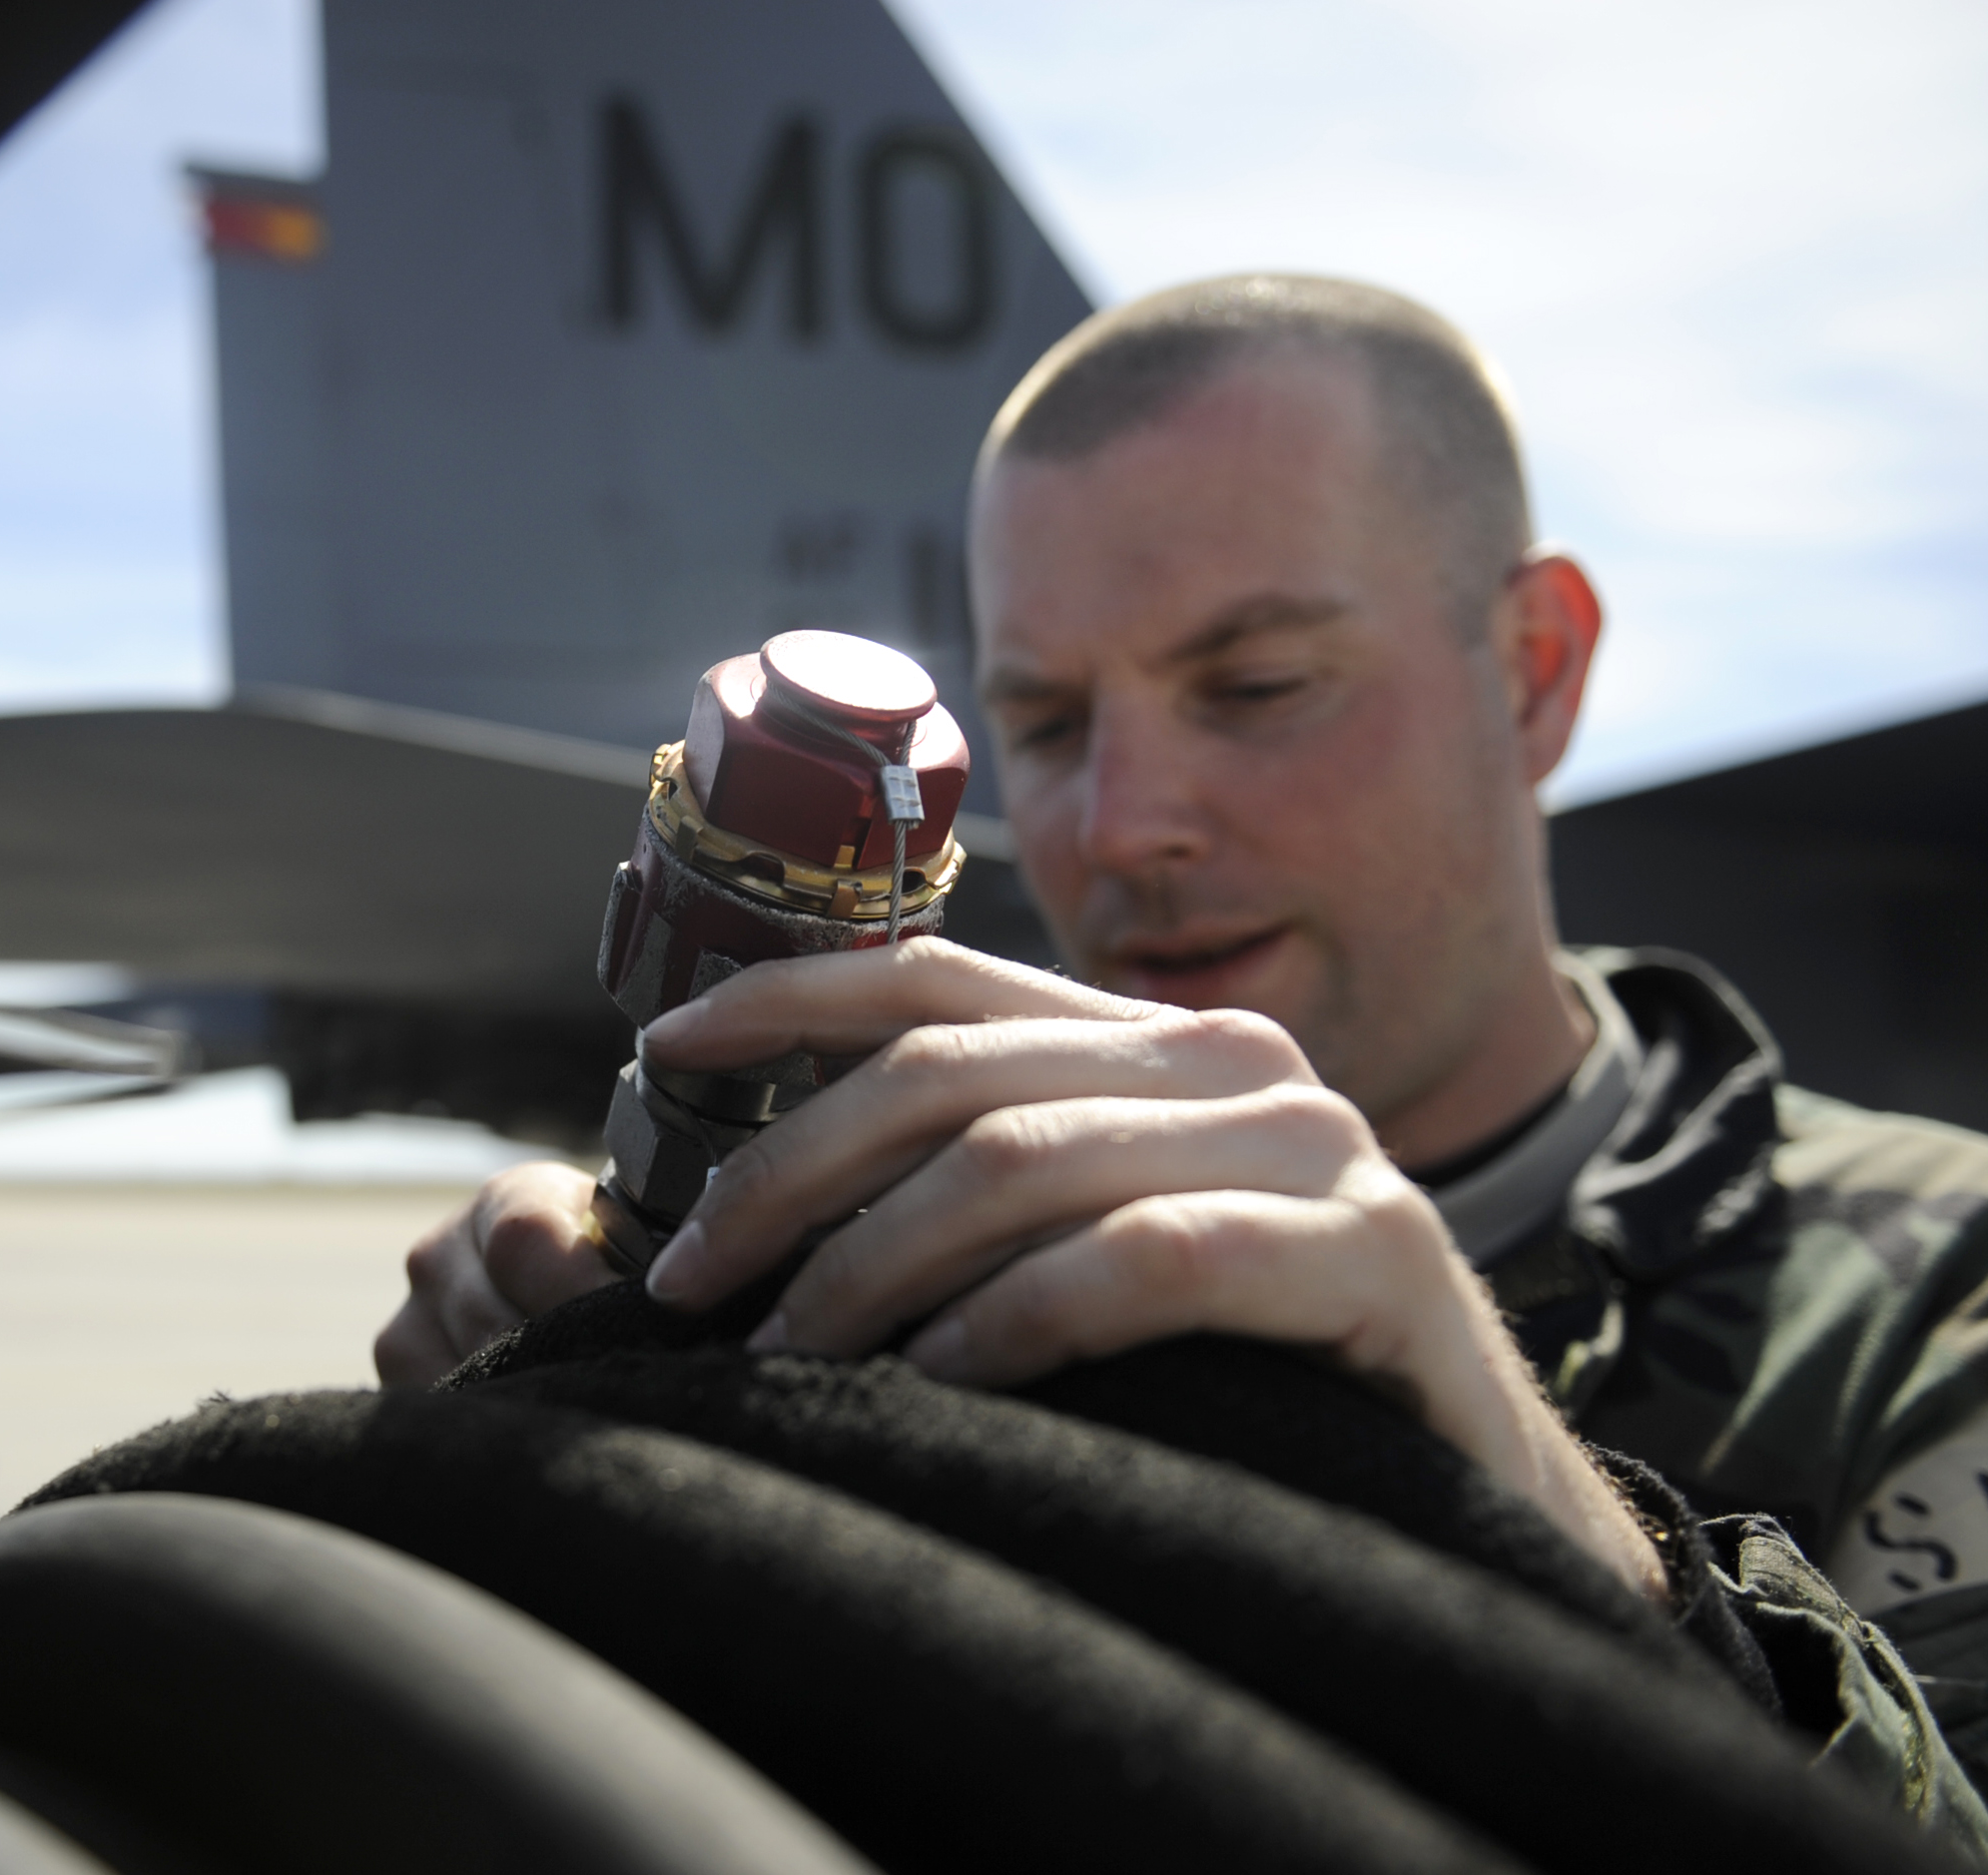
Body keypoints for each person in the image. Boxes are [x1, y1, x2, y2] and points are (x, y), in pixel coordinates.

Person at [375, 275, 1988, 1781]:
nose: (1119, 821)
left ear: (1533, 671)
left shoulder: (1931, 1300)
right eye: (1048, 722)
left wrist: (1591, 1553)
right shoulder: (911, 1273)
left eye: (1259, 683)